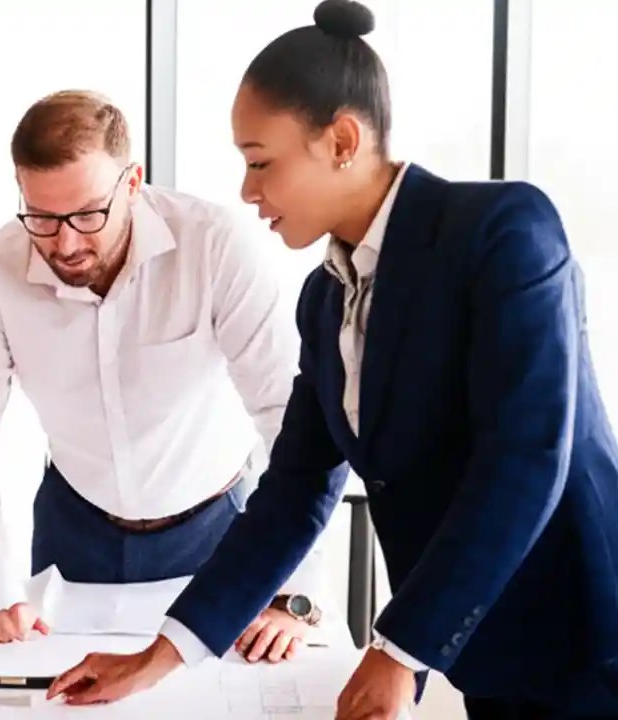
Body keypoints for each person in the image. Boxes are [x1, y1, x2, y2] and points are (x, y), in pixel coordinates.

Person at [46, 1, 618, 717]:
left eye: (260, 162)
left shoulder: (503, 232)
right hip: (490, 658)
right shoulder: (324, 301)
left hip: (587, 638)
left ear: (342, 139)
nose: (247, 190)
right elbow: (292, 496)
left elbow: (527, 457)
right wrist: (157, 660)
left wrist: (397, 650)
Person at [0, 89, 331, 663]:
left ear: (132, 182)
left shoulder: (214, 246)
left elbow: (288, 416)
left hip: (220, 526)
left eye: (88, 214)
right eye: (41, 217)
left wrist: (294, 593)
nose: (65, 243)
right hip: (74, 527)